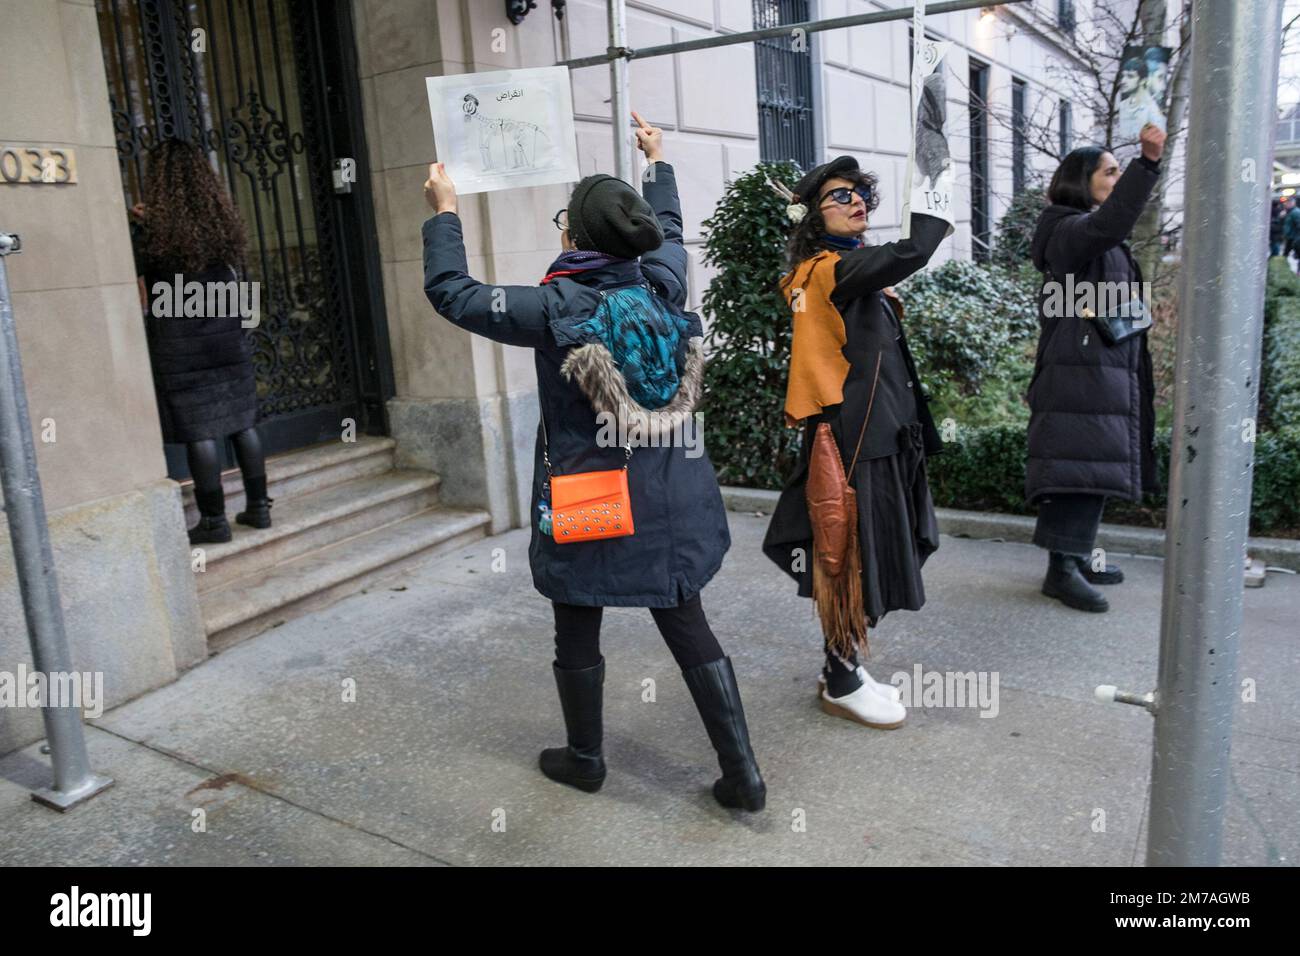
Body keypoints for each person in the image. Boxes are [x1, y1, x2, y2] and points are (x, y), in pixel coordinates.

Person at [420, 112, 765, 813]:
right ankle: (744, 775)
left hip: (591, 494)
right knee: (686, 619)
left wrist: (445, 212)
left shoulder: (554, 307)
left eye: (565, 222)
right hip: (672, 494)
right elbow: (666, 232)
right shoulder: (665, 287)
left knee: (576, 615)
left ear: (572, 238)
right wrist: (657, 165)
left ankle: (585, 759)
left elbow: (452, 293)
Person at [762, 156, 948, 730]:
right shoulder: (828, 270)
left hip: (881, 438)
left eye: (860, 193)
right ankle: (841, 678)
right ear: (813, 219)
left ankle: (842, 666)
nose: (856, 202)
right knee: (849, 559)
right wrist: (933, 182)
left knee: (865, 555)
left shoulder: (843, 266)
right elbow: (914, 250)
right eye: (839, 197)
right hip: (855, 443)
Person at [1025, 123, 1167, 612]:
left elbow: (1109, 292)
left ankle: (1078, 557)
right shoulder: (1065, 228)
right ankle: (1060, 570)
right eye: (1110, 171)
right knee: (1078, 467)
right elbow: (1109, 227)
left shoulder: (1081, 227)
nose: (1117, 176)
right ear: (1081, 180)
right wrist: (1147, 165)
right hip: (1079, 373)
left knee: (1093, 465)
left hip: (1097, 367)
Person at [132, 139, 271, 545]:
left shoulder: (151, 230)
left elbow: (139, 275)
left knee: (201, 430)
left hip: (180, 341)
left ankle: (214, 520)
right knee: (242, 422)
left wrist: (142, 224)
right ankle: (259, 507)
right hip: (226, 336)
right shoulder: (220, 219)